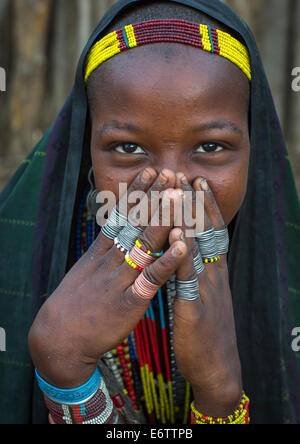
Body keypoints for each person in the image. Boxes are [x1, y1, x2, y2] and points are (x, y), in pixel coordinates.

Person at [0, 0, 299, 425]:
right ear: (87, 149)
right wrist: (63, 367)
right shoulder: (12, 271)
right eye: (128, 148)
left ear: (255, 150)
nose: (172, 186)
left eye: (210, 147)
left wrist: (220, 393)